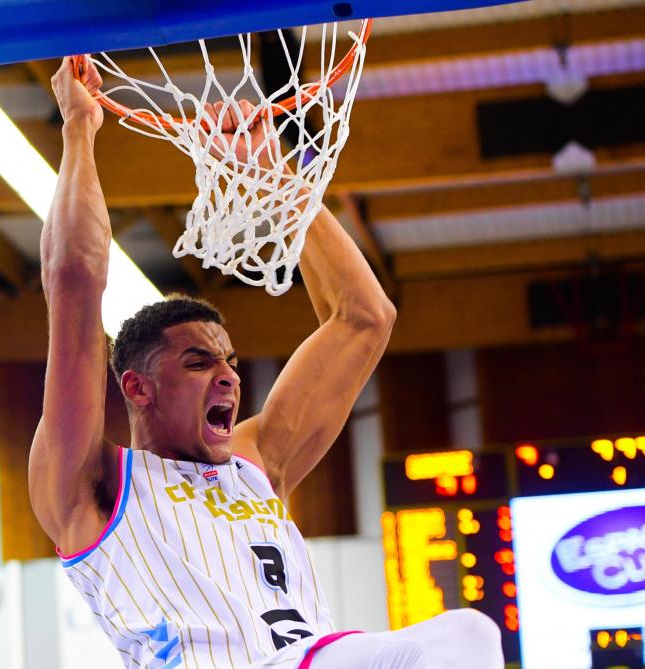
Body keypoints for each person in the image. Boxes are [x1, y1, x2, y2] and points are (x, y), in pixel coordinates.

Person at [28, 56, 505, 669]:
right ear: (138, 388)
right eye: (198, 362)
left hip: (310, 657)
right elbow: (73, 281)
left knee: (468, 633)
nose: (227, 375)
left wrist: (274, 177)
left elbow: (364, 317)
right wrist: (77, 127)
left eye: (228, 360)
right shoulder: (90, 484)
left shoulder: (257, 462)